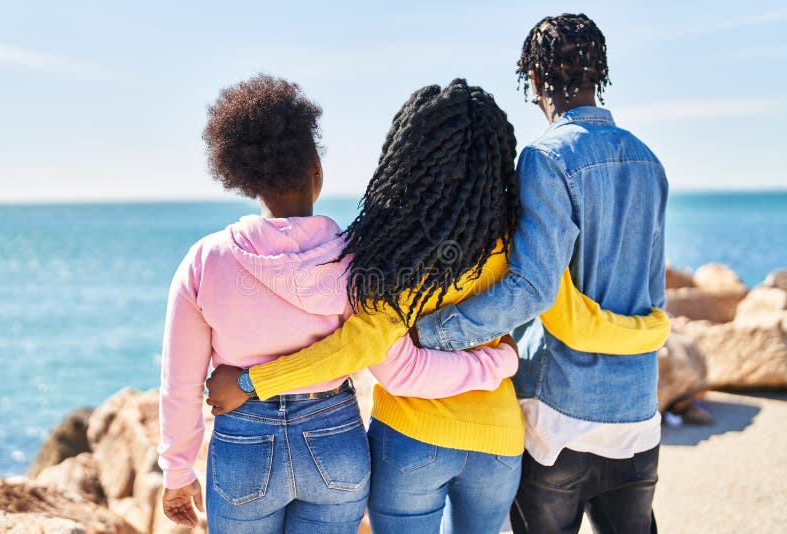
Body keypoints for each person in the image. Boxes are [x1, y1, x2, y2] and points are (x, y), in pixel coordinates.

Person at [207, 78, 670, 533]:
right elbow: (559, 306)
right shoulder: (513, 242)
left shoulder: (392, 251)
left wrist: (254, 381)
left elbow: (356, 348)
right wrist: (649, 331)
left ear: (407, 158)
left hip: (411, 441)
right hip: (498, 443)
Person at [157, 74, 523, 533]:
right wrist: (501, 361)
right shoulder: (356, 260)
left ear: (246, 178)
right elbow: (392, 365)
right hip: (334, 442)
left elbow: (180, 385)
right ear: (317, 170)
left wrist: (177, 474)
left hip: (244, 444)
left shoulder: (206, 262)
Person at [411, 14, 669, 534]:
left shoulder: (545, 158)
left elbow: (531, 287)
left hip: (560, 415)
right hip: (637, 410)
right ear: (599, 70)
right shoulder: (649, 161)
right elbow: (649, 290)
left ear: (534, 79)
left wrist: (432, 332)